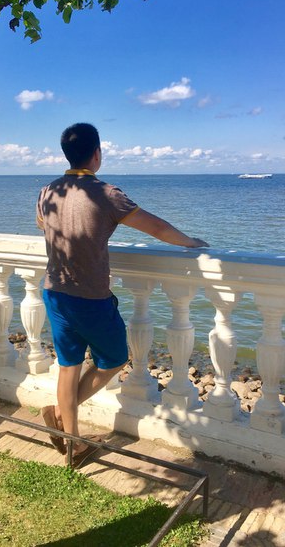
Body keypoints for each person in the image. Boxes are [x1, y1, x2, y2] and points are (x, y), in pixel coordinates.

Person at [37, 123, 209, 468]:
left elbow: (43, 225)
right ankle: (59, 415)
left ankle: (72, 442)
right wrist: (191, 242)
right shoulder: (106, 194)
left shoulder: (47, 192)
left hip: (55, 292)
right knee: (114, 359)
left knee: (68, 366)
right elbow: (156, 227)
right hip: (90, 297)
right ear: (96, 153)